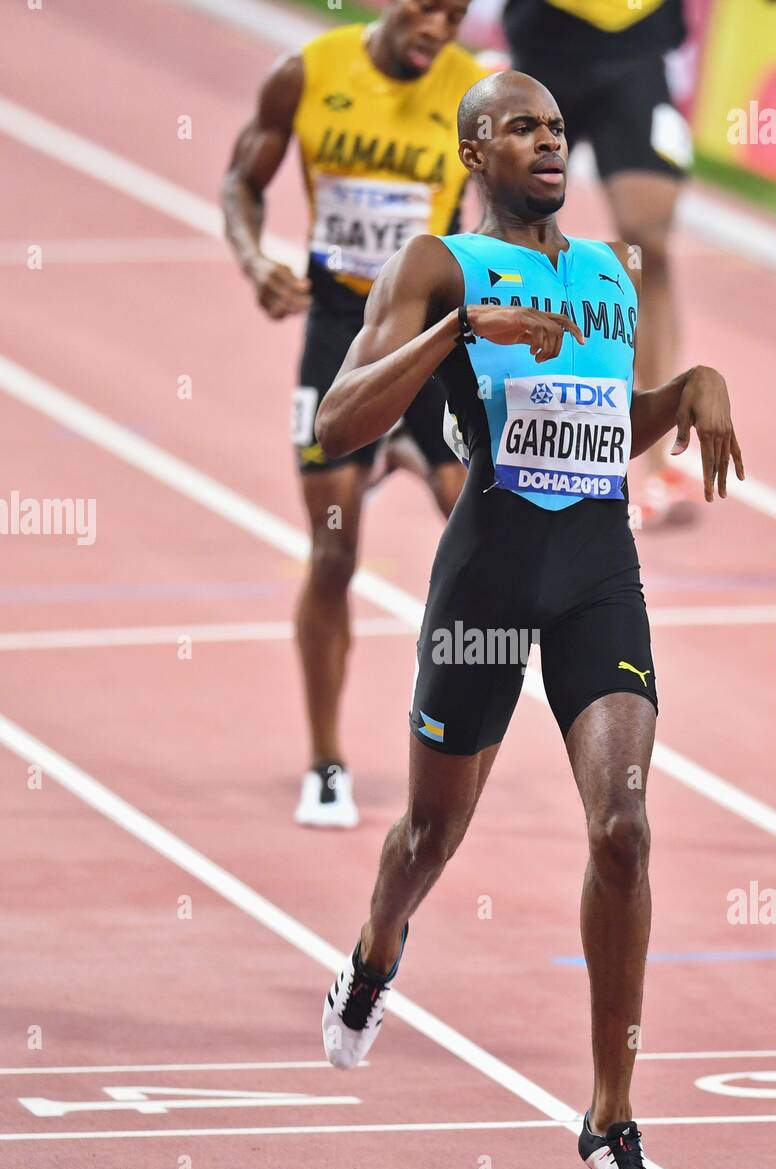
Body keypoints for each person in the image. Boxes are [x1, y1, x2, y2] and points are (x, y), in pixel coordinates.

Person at [316, 70, 742, 1169]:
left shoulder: (608, 272)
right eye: (523, 127)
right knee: (428, 834)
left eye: (558, 128)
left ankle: (610, 1112)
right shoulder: (435, 268)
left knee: (625, 827)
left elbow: (613, 420)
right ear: (472, 150)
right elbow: (335, 420)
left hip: (598, 575)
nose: (551, 142)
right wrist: (462, 331)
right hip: (491, 577)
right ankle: (374, 947)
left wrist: (686, 390)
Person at [221, 3, 487, 828]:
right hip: (343, 340)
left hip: (438, 338)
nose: (439, 25)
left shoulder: (475, 93)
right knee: (334, 552)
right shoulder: (309, 72)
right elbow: (241, 181)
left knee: (483, 548)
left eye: (457, 11)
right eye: (426, 6)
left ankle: (454, 742)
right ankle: (326, 761)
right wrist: (254, 259)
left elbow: (521, 207)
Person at [503, 0, 695, 526]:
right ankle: (503, 431)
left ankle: (658, 464)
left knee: (648, 241)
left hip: (635, 48)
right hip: (545, 47)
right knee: (513, 236)